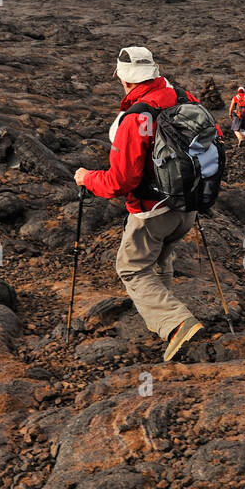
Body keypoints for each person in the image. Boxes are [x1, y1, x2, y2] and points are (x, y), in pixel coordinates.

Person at [74, 46, 205, 362]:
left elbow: (121, 182)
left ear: (124, 79)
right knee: (160, 259)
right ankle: (169, 328)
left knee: (132, 267)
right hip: (188, 206)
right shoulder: (186, 99)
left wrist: (87, 178)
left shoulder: (136, 118)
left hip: (152, 210)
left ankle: (176, 324)